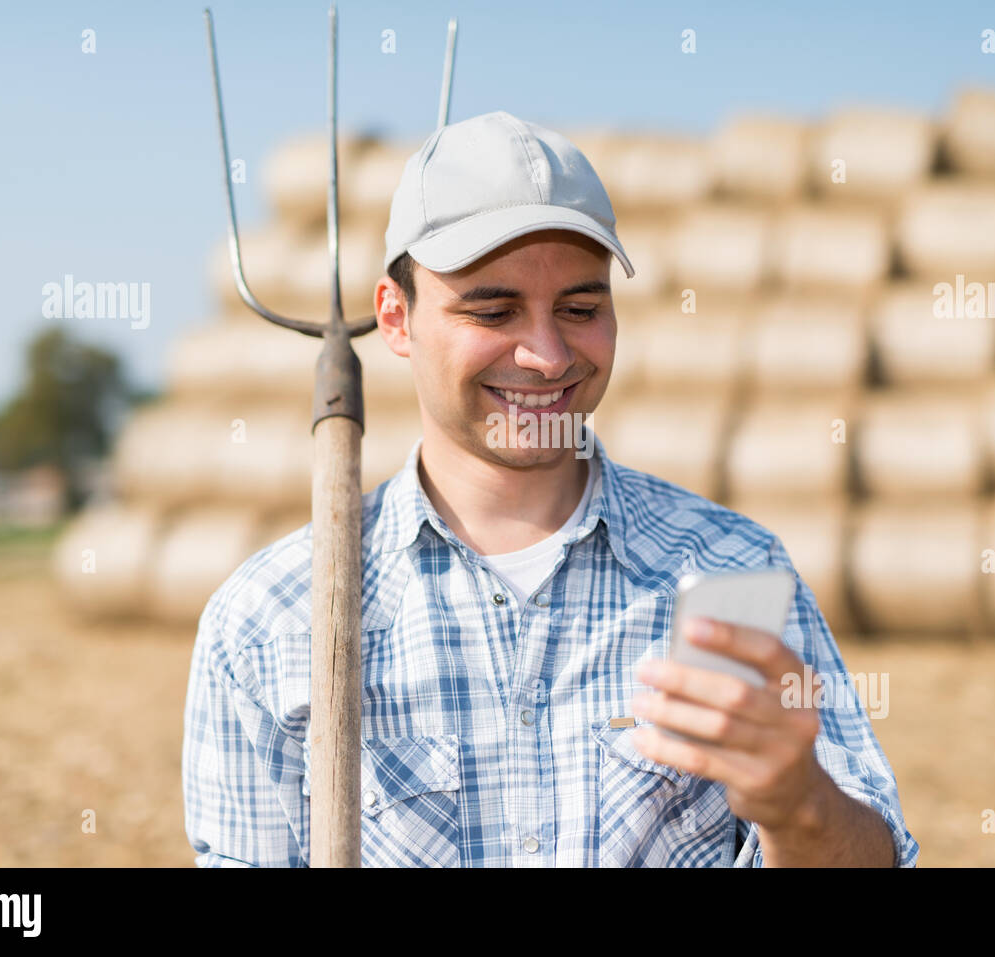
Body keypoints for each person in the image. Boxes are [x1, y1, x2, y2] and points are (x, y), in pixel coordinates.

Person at [182, 110, 919, 867]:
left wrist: (800, 808)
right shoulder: (268, 622)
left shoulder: (731, 577)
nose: (546, 353)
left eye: (580, 308)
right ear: (396, 318)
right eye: (493, 310)